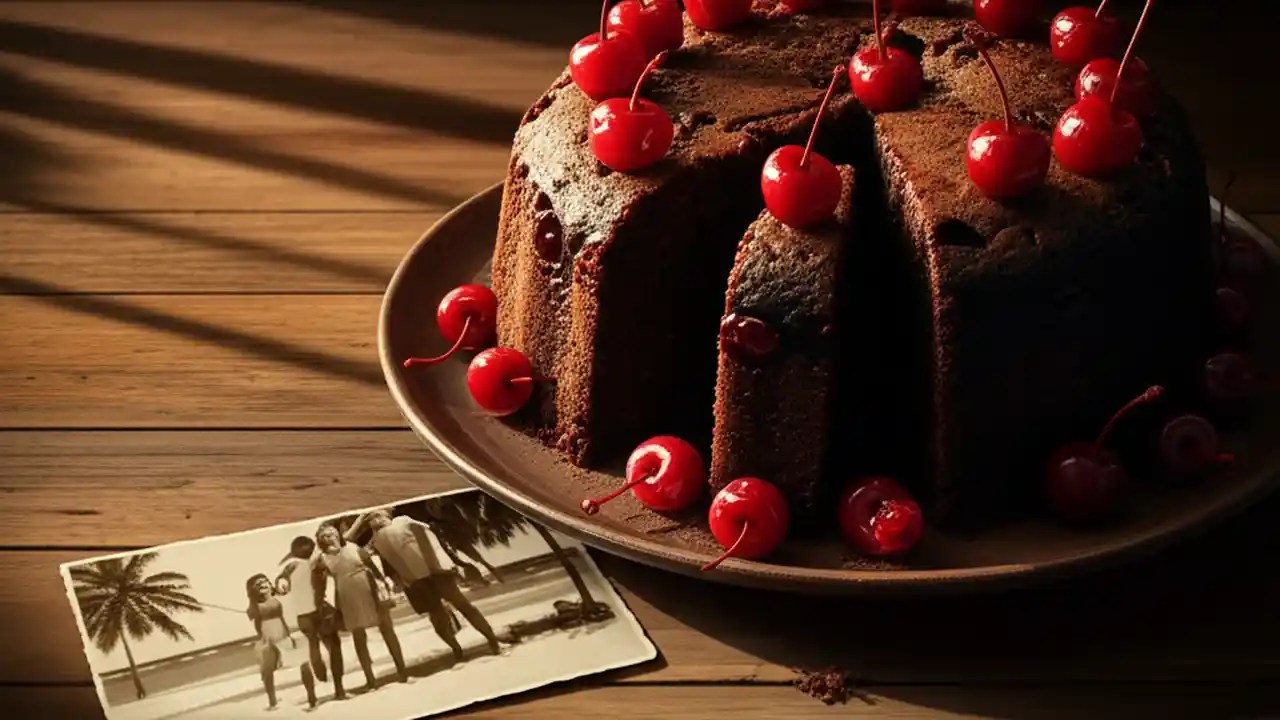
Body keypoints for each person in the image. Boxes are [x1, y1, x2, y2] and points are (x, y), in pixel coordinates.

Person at [347, 509, 502, 663]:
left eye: (377, 515)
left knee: (465, 606)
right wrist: (359, 520)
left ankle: (493, 641)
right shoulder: (375, 541)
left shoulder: (403, 520)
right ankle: (456, 648)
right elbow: (346, 543)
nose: (374, 519)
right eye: (370, 518)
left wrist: (452, 563)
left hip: (437, 572)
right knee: (436, 616)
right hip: (416, 581)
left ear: (388, 515)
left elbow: (431, 536)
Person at [312, 523, 408, 691]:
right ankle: (370, 679)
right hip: (346, 594)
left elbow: (371, 565)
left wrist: (383, 582)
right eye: (325, 536)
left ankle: (402, 670)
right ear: (320, 540)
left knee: (386, 628)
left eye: (332, 533)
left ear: (338, 534)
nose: (330, 537)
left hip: (369, 587)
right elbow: (317, 582)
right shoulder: (322, 559)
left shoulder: (352, 547)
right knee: (358, 635)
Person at [277, 536, 346, 701]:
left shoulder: (290, 566)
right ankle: (339, 690)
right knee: (334, 646)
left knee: (313, 644)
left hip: (303, 616)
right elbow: (335, 572)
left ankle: (320, 672)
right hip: (320, 611)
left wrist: (281, 586)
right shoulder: (316, 561)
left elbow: (281, 582)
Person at [246, 574, 316, 711]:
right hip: (268, 639)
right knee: (267, 672)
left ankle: (312, 698)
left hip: (285, 635)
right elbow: (255, 621)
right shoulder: (254, 606)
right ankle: (272, 702)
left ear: (270, 584)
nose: (262, 585)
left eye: (264, 581)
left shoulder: (279, 597)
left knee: (304, 664)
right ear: (252, 591)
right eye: (257, 584)